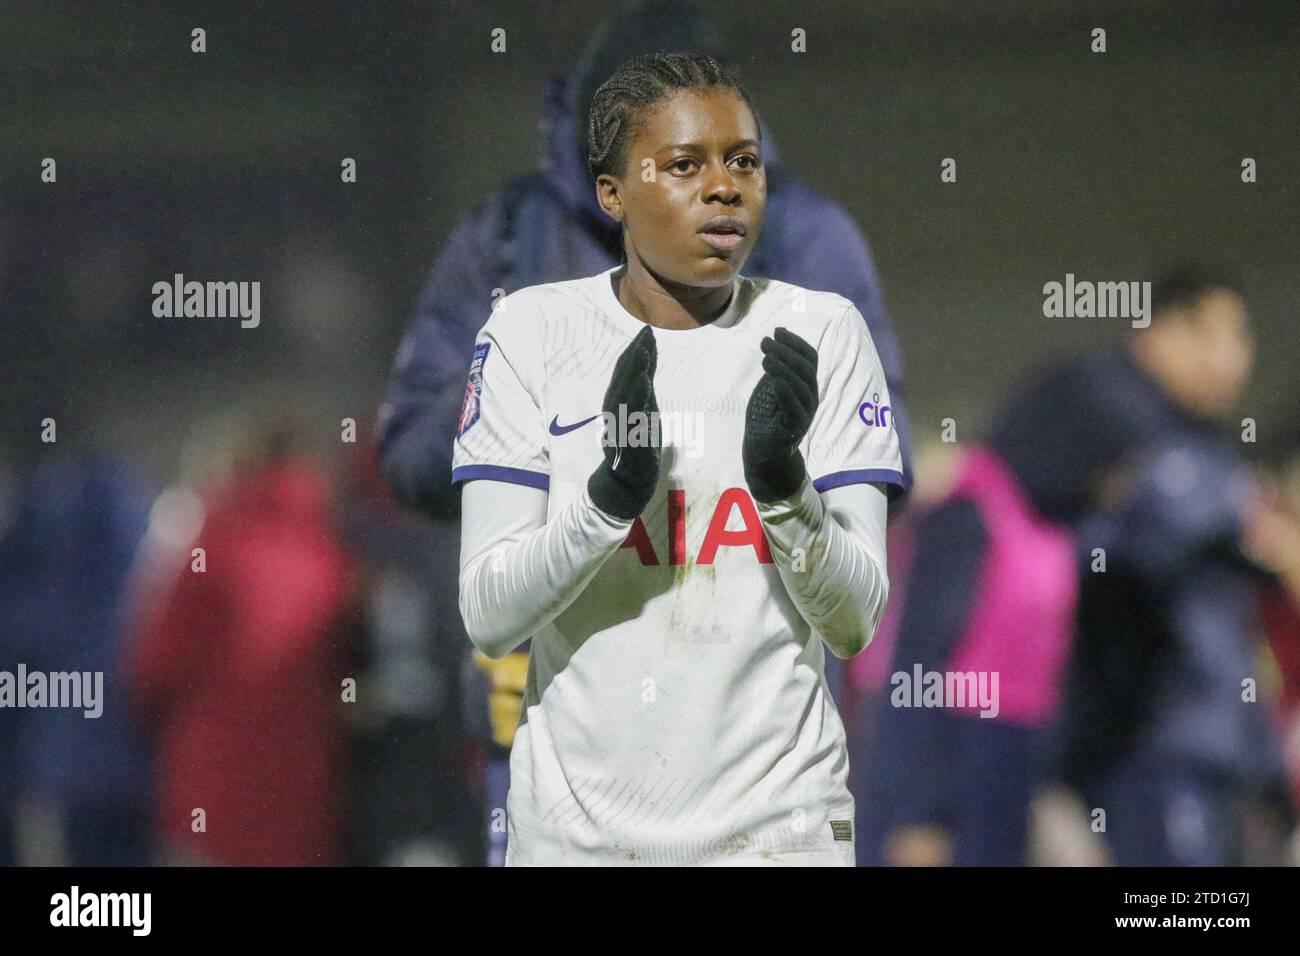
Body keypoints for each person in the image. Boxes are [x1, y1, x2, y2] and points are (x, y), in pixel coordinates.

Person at [375, 0, 913, 866]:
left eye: (738, 158)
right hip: (570, 808)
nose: (721, 187)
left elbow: (862, 583)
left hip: (776, 826)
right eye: (678, 160)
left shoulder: (816, 272)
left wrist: (782, 484)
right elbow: (420, 480)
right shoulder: (515, 266)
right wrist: (577, 464)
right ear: (608, 176)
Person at [1051, 266, 1295, 865]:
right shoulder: (1123, 432)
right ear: (1158, 336)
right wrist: (1251, 529)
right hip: (1155, 757)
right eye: (1215, 336)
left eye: (1240, 340)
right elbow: (1119, 553)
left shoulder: (1207, 453)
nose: (1236, 359)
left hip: (1223, 759)